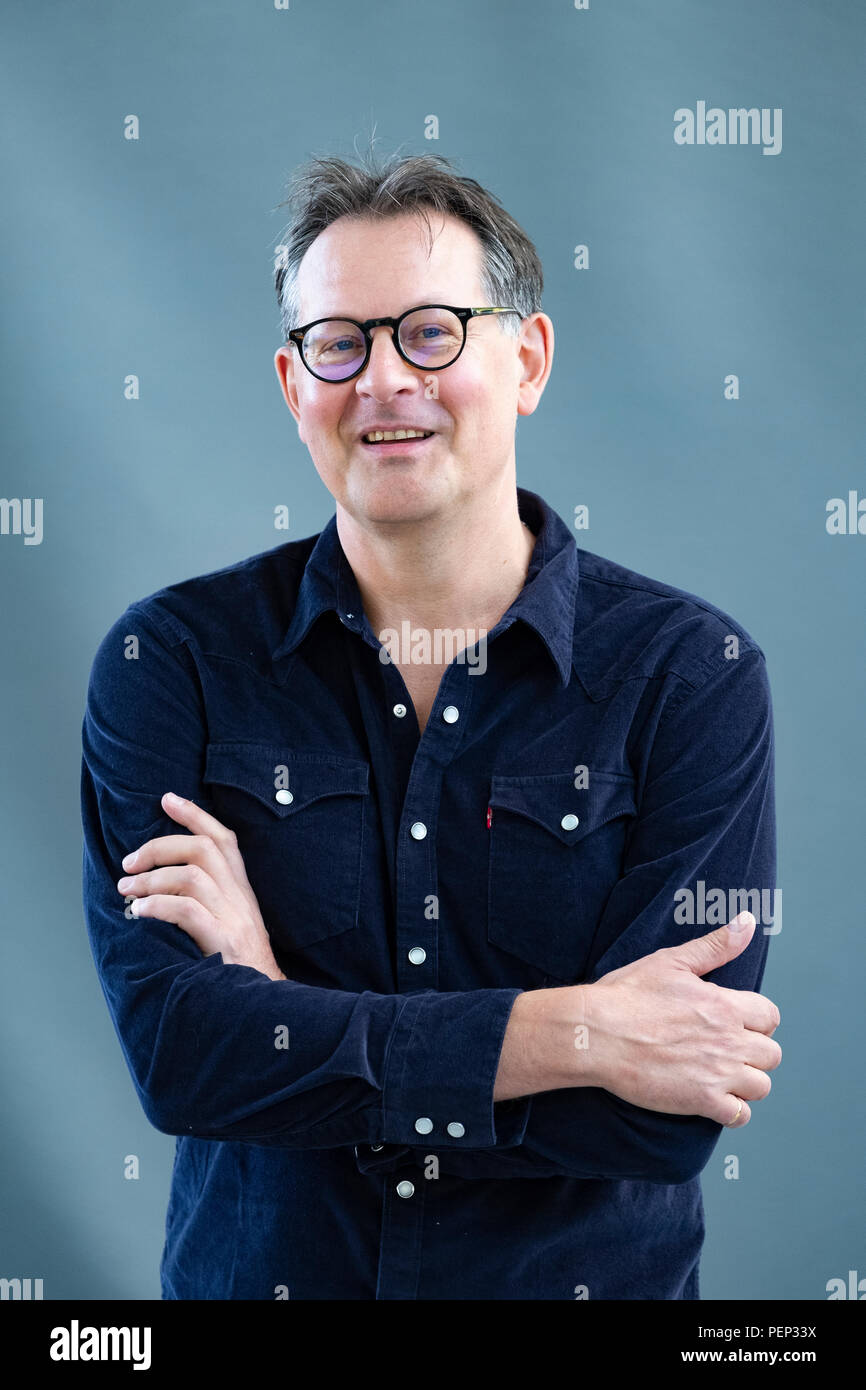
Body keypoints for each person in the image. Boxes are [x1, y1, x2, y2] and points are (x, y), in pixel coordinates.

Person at [81, 150, 781, 1301]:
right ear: (291, 382)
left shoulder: (688, 675)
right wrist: (582, 1034)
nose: (383, 381)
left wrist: (277, 1012)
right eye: (339, 343)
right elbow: (182, 1057)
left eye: (432, 332)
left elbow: (660, 1124)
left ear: (528, 359)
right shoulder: (173, 664)